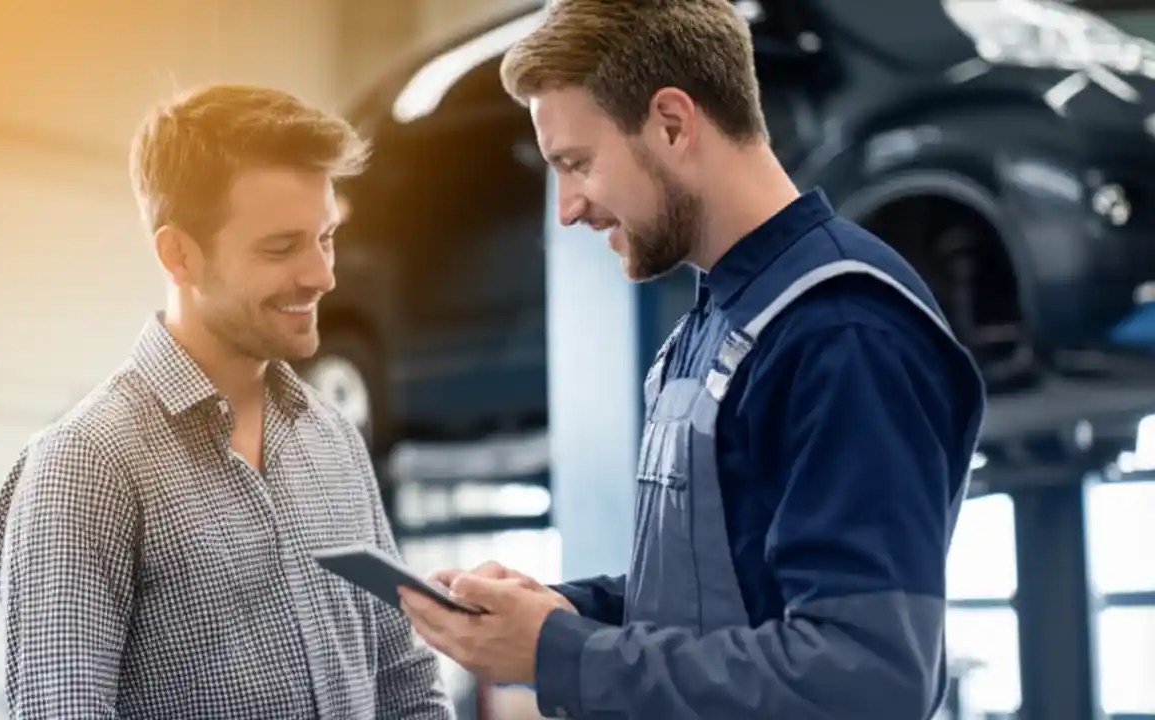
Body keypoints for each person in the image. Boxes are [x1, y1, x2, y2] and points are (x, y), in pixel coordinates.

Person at [397, 1, 986, 718]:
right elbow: (712, 602)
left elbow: (868, 679)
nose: (567, 209)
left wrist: (560, 652)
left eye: (577, 164)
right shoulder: (716, 323)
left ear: (672, 124)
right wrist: (558, 611)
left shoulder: (843, 332)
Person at [0, 83, 454, 719]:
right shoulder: (86, 467)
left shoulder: (333, 439)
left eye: (326, 238)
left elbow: (404, 683)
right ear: (179, 254)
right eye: (282, 247)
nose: (322, 275)